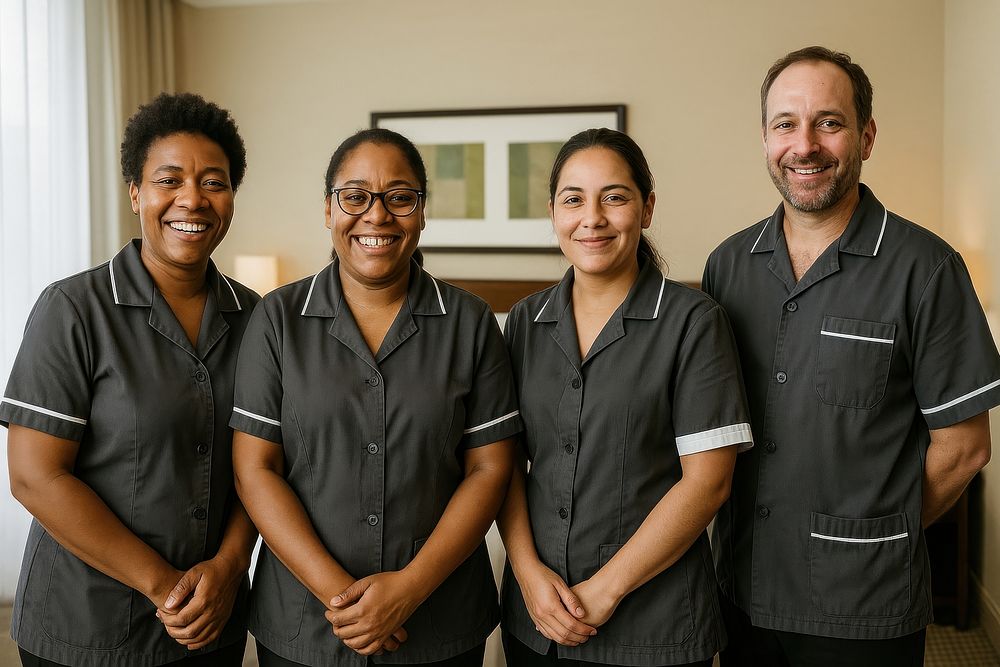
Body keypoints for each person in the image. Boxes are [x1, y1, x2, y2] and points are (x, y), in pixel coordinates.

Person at [702, 45, 999, 666]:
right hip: (742, 592)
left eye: (828, 122)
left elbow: (966, 446)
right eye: (786, 124)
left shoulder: (927, 269)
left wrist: (874, 537)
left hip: (866, 605)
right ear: (764, 138)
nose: (804, 144)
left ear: (866, 135)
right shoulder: (727, 266)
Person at [230, 127, 521, 666]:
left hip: (438, 621)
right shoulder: (276, 320)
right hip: (305, 623)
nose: (377, 215)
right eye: (355, 196)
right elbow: (256, 469)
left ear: (422, 211)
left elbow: (489, 470)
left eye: (400, 197)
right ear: (328, 209)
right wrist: (342, 599)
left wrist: (409, 589)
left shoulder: (471, 322)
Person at [1, 92, 258, 666]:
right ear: (137, 193)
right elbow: (34, 476)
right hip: (87, 625)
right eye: (169, 180)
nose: (192, 198)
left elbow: (263, 466)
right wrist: (165, 585)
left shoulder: (258, 319)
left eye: (213, 182)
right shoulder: (72, 309)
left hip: (212, 620)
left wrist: (228, 566)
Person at [498, 128, 753, 667]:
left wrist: (605, 590)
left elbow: (709, 482)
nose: (592, 218)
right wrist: (526, 571)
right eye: (574, 199)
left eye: (614, 197)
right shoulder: (525, 321)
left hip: (654, 624)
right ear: (554, 212)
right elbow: (504, 464)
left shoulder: (693, 323)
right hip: (537, 616)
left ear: (647, 207)